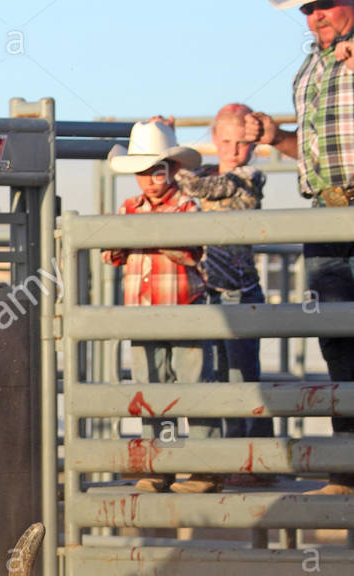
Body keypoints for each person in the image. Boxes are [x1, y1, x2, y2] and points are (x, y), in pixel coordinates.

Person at [250, 0, 354, 494]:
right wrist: (278, 138)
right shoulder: (309, 67)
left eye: (325, 5)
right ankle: (348, 466)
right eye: (308, 9)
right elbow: (315, 149)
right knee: (336, 339)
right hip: (327, 212)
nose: (317, 16)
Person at [104, 119, 223, 494]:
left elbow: (192, 251)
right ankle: (160, 465)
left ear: (171, 170)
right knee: (150, 386)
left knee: (193, 384)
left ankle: (204, 467)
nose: (148, 179)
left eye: (155, 171)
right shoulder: (129, 208)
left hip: (183, 310)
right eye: (141, 172)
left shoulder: (187, 206)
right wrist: (145, 238)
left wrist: (140, 237)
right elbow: (111, 252)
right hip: (144, 315)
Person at [174, 103, 275, 476]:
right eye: (228, 141)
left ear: (253, 146)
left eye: (243, 143)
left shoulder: (249, 176)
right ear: (215, 139)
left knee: (244, 380)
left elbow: (201, 186)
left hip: (239, 292)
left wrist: (171, 161)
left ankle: (259, 464)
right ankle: (223, 461)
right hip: (208, 291)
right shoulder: (208, 171)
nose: (234, 151)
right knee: (214, 376)